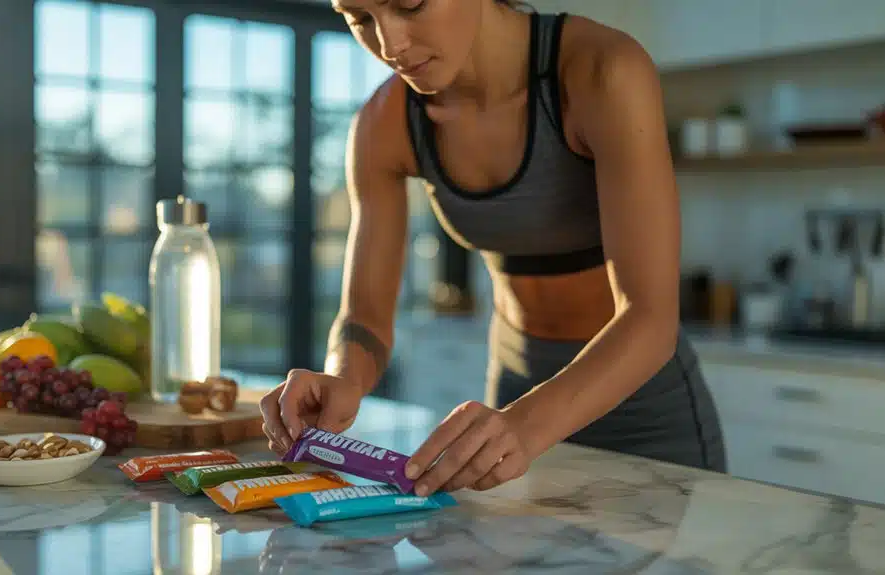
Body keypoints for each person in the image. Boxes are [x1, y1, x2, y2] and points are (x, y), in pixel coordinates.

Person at [259, 0, 726, 497]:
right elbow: (365, 320)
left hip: (642, 409)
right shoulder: (384, 123)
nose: (390, 45)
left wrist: (525, 426)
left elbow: (651, 321)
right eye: (360, 18)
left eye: (410, 4)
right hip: (513, 394)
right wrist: (344, 379)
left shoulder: (602, 70)